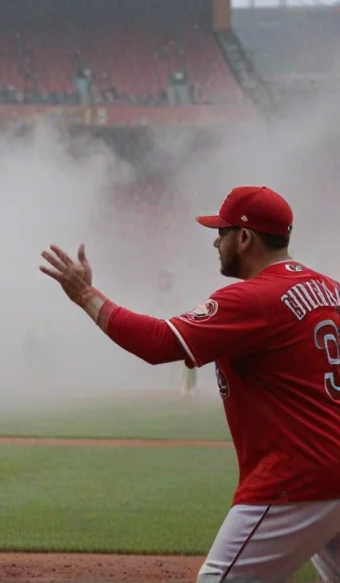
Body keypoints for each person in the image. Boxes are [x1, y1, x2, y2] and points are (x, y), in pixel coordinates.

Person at [39, 185, 340, 582]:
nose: (216, 242)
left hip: (298, 477)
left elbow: (157, 343)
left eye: (222, 232)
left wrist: (85, 296)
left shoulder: (253, 297)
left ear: (245, 237)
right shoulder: (330, 290)